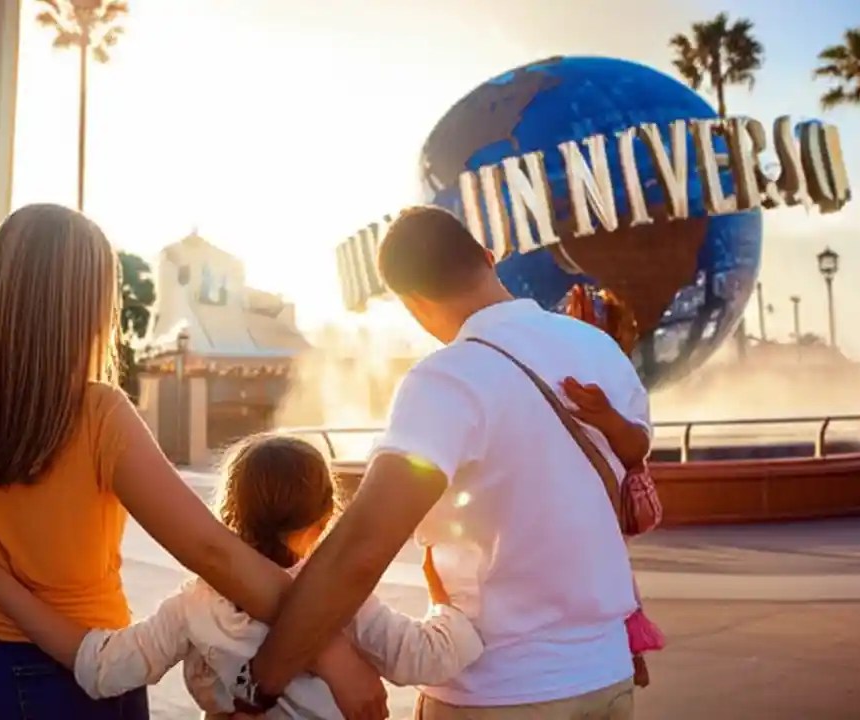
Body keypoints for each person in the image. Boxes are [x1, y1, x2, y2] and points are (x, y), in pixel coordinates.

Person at [0, 204, 386, 720]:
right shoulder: (97, 414)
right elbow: (210, 551)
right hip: (69, 676)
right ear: (87, 306)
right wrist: (328, 648)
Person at [244, 206, 652, 719]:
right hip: (607, 679)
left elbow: (364, 547)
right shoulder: (602, 349)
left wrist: (261, 682)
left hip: (501, 692)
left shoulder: (448, 378)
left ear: (411, 300)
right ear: (487, 257)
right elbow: (629, 467)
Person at [0, 433, 484, 718]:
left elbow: (101, 667)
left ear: (229, 513)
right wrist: (446, 595)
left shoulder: (194, 605)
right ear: (324, 523)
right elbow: (428, 657)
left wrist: (0, 584)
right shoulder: (347, 605)